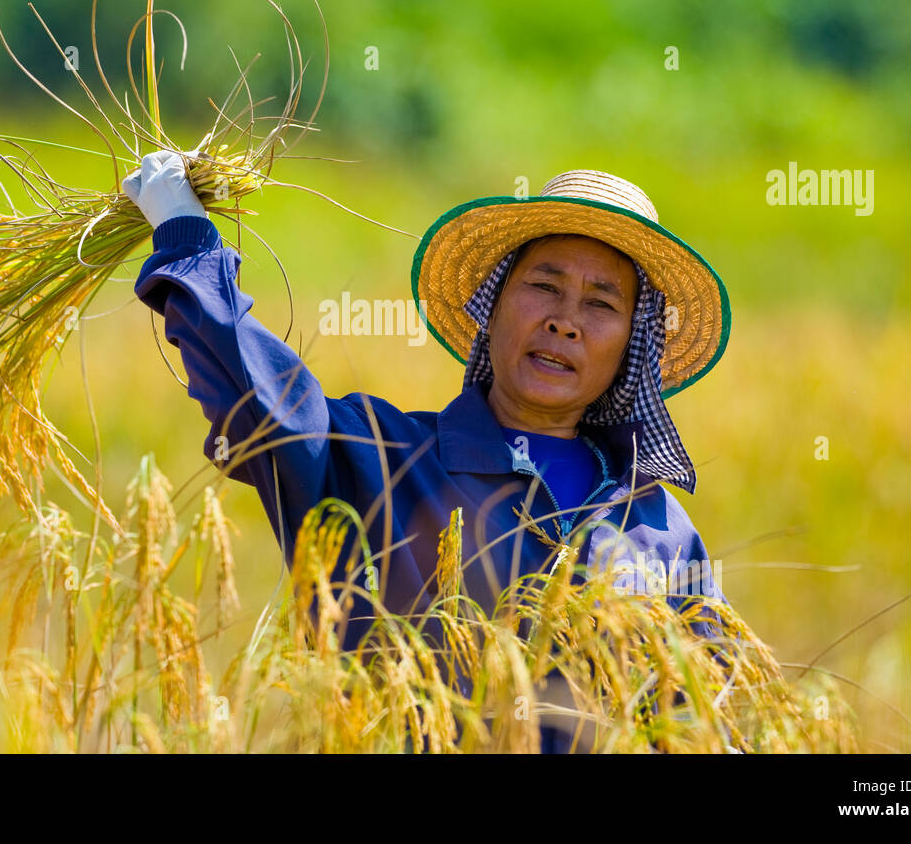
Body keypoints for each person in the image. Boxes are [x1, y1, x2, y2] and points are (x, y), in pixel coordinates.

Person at [124, 152, 734, 753]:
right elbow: (262, 404)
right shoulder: (382, 456)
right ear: (490, 307)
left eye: (602, 304)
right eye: (543, 286)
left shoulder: (659, 530)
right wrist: (187, 240)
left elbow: (709, 715)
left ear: (633, 345)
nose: (565, 322)